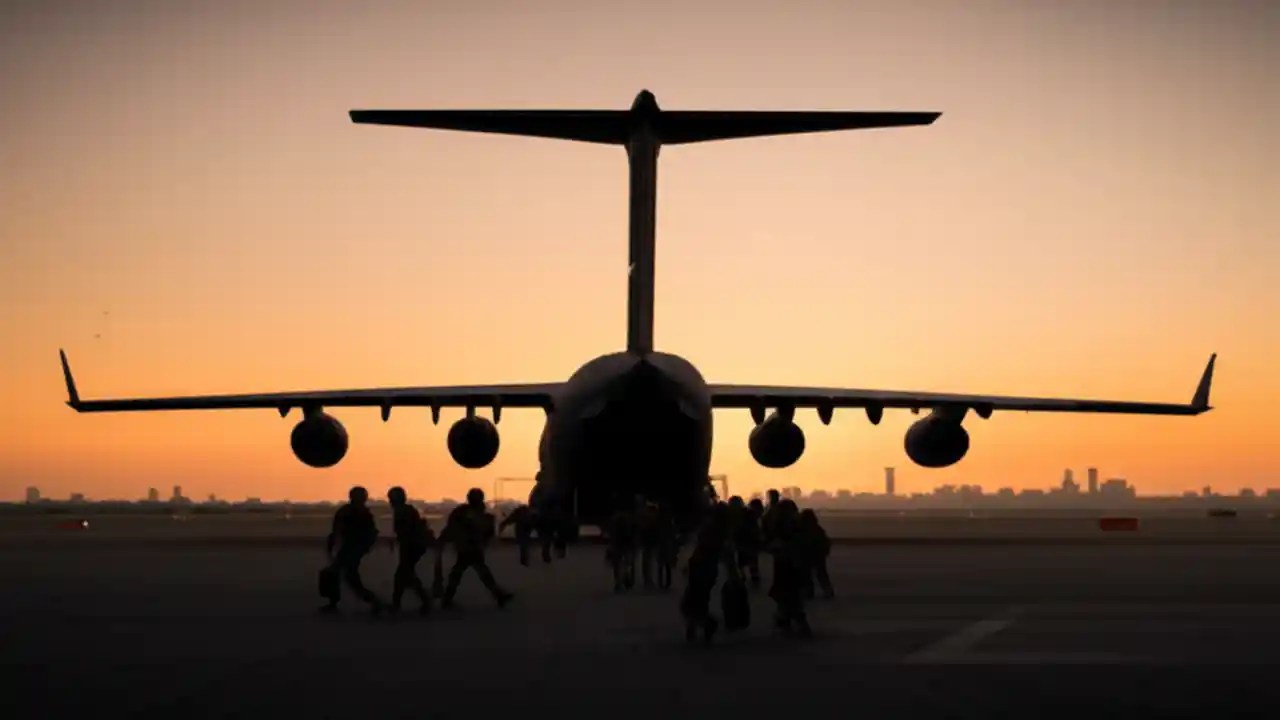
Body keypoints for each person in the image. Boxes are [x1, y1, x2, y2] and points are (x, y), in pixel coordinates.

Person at [438, 488, 514, 609]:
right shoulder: (468, 512)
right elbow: (459, 527)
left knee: (463, 571)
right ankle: (498, 595)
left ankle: (448, 598)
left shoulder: (465, 511)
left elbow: (452, 527)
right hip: (469, 546)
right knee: (477, 571)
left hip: (468, 546)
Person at [679, 503, 738, 643]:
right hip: (709, 567)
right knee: (700, 598)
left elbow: (699, 547)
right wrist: (733, 573)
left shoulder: (708, 528)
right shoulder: (723, 531)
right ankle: (700, 626)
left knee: (693, 597)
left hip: (700, 566)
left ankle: (701, 625)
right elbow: (726, 554)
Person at [321, 486, 384, 615]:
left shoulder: (350, 512)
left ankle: (374, 602)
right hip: (352, 548)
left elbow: (336, 530)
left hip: (351, 549)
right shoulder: (361, 513)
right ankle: (372, 601)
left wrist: (331, 546)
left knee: (345, 577)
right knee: (341, 575)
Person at [766, 499, 811, 637]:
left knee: (787, 597)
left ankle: (786, 621)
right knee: (793, 597)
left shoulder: (779, 528)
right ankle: (792, 622)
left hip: (786, 566)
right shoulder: (798, 527)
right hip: (792, 566)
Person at [387, 486, 433, 615]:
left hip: (411, 547)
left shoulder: (403, 511)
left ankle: (399, 604)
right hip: (412, 546)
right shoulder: (407, 510)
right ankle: (422, 601)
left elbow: (406, 531)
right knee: (405, 575)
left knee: (403, 575)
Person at [797, 509, 835, 600]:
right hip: (818, 554)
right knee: (821, 573)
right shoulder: (817, 529)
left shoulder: (801, 529)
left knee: (807, 574)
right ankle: (827, 590)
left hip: (807, 555)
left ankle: (809, 591)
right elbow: (824, 542)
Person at [606, 495, 641, 592]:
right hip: (628, 542)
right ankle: (625, 577)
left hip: (618, 542)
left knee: (618, 562)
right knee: (627, 562)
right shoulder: (631, 517)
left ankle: (619, 582)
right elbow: (636, 530)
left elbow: (612, 532)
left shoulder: (615, 518)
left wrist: (611, 543)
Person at [737, 498, 764, 590]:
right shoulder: (750, 517)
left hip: (745, 543)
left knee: (744, 561)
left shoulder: (746, 516)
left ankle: (743, 576)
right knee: (751, 560)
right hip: (748, 543)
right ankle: (751, 576)